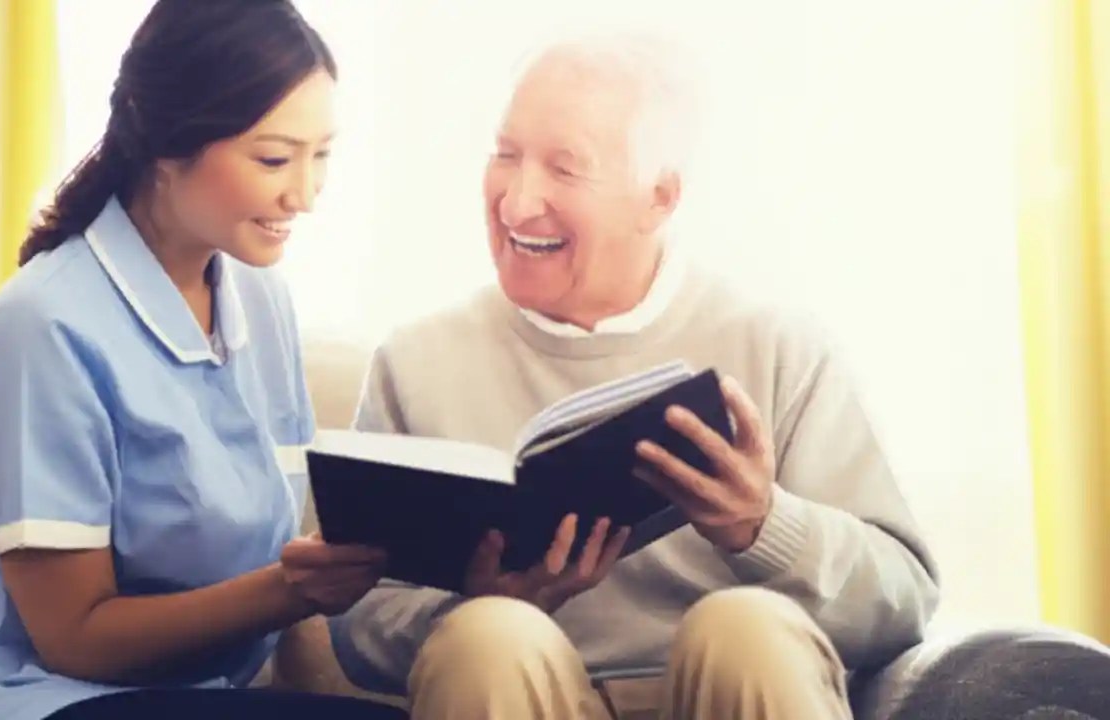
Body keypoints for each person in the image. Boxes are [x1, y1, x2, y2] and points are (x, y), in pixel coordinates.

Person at [328, 32, 941, 720]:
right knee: (489, 636)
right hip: (524, 691)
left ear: (660, 197)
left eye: (565, 168)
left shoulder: (777, 346)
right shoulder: (415, 362)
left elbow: (905, 602)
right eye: (505, 154)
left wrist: (766, 524)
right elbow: (357, 629)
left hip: (730, 692)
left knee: (743, 628)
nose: (518, 200)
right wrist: (481, 603)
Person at [0, 1, 405, 718]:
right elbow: (72, 640)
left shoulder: (261, 298)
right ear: (167, 143)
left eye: (320, 154)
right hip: (45, 700)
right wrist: (288, 590)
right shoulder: (43, 326)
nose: (304, 194)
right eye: (273, 158)